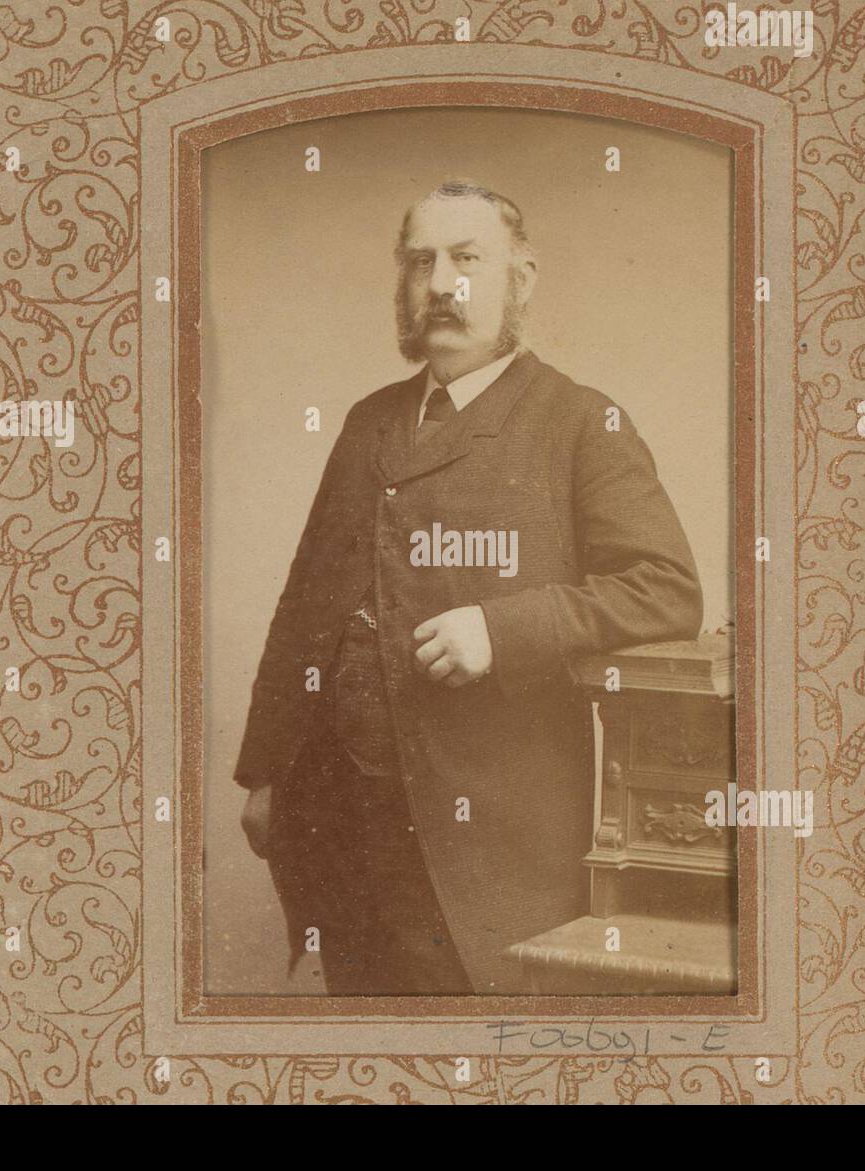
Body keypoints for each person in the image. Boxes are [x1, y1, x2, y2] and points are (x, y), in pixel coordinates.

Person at [236, 180, 702, 994]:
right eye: (422, 261)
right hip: (338, 818)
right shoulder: (368, 421)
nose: (442, 283)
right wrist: (267, 772)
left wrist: (501, 627)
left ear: (520, 279)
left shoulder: (580, 422)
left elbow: (666, 588)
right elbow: (303, 605)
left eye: (467, 259)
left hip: (482, 842)